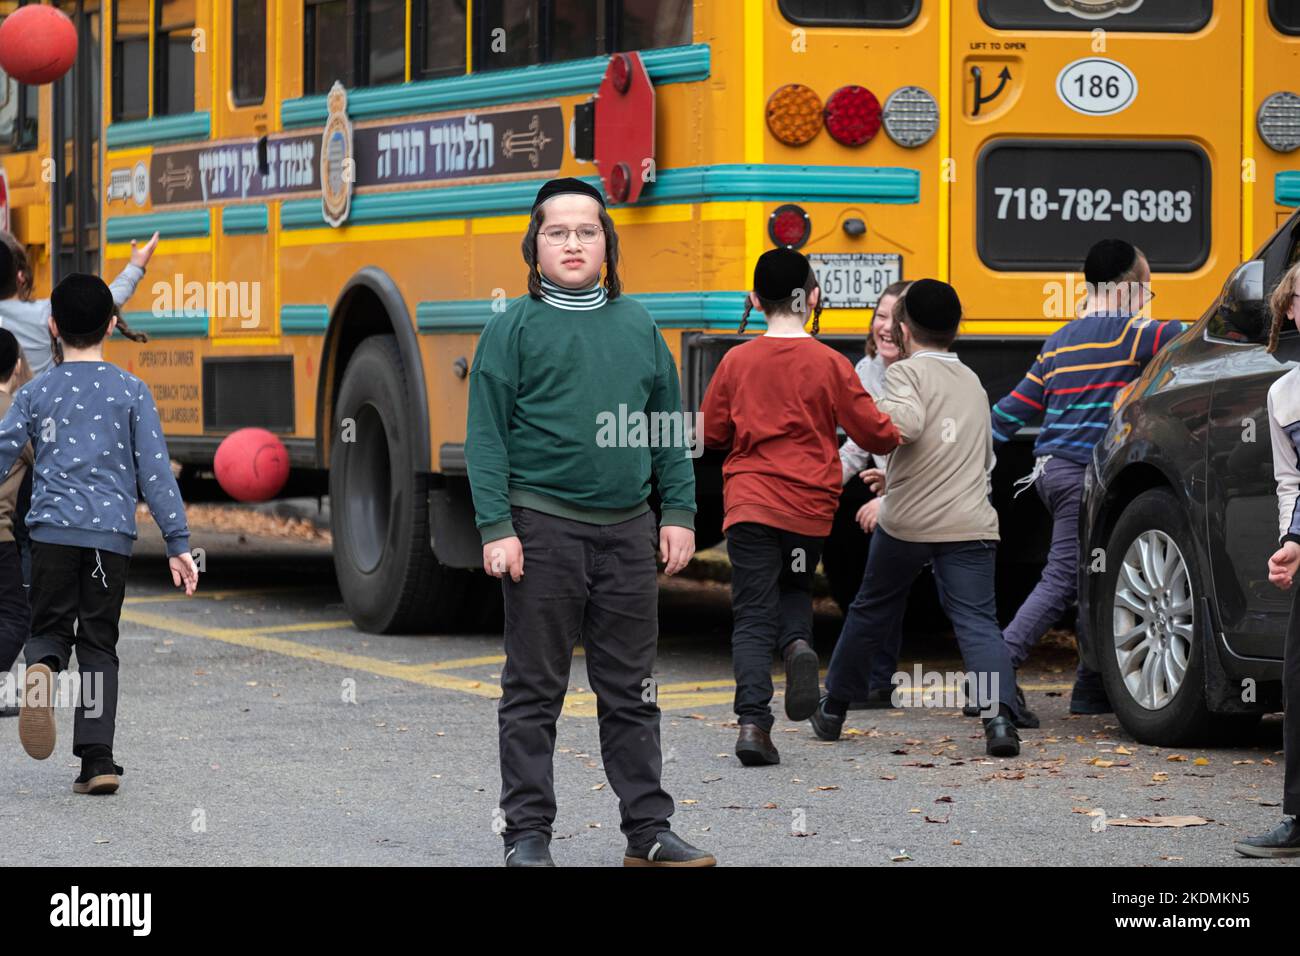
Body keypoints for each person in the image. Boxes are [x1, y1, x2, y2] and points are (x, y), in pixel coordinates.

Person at [465, 177, 714, 867]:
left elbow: (669, 428)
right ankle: (527, 837)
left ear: (607, 242)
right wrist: (496, 528)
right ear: (534, 245)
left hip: (629, 532)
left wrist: (681, 512)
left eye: (587, 231)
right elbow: (486, 436)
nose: (573, 243)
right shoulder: (510, 328)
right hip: (542, 527)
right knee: (534, 691)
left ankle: (649, 833)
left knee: (634, 690)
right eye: (557, 232)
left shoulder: (639, 325)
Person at [0, 274, 198, 795]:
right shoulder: (132, 391)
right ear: (112, 325)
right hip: (109, 539)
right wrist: (178, 543)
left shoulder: (36, 391)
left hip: (50, 536)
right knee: (98, 642)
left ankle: (41, 667)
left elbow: (2, 452)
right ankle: (97, 760)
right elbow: (155, 470)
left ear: (53, 327)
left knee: (49, 629)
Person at [701, 248, 899, 766]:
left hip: (750, 502)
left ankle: (753, 724)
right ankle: (796, 646)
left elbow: (713, 432)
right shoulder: (831, 363)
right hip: (809, 507)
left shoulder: (736, 361)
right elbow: (872, 431)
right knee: (794, 585)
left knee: (750, 613)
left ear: (753, 300)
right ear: (813, 298)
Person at [812, 279, 1024, 757]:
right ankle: (999, 721)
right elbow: (985, 458)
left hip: (908, 521)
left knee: (871, 609)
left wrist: (868, 413)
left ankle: (833, 709)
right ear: (955, 329)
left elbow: (898, 429)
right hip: (971, 521)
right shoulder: (971, 380)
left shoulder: (905, 375)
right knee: (977, 622)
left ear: (905, 329)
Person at [990, 239, 1184, 718]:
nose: (1147, 301)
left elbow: (1008, 415)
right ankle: (995, 666)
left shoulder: (1058, 341)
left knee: (1091, 575)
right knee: (1062, 577)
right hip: (1082, 476)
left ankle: (1090, 688)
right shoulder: (1134, 337)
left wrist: (962, 447)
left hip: (1048, 472)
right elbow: (1193, 335)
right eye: (1148, 289)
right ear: (1126, 288)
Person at [1236, 259, 1300, 858]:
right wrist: (1289, 542)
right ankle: (1297, 818)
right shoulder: (1283, 394)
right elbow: (1290, 481)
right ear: (1288, 309)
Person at [824, 280, 909, 707]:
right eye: (880, 315)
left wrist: (891, 497)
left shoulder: (927, 373)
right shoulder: (866, 370)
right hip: (891, 489)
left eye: (897, 318)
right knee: (860, 559)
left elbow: (934, 456)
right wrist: (815, 488)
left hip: (936, 497)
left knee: (964, 606)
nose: (886, 327)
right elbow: (858, 447)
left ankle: (999, 694)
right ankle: (876, 679)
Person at [0, 328, 32, 717]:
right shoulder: (17, 415)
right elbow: (46, 465)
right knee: (15, 614)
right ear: (17, 366)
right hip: (2, 535)